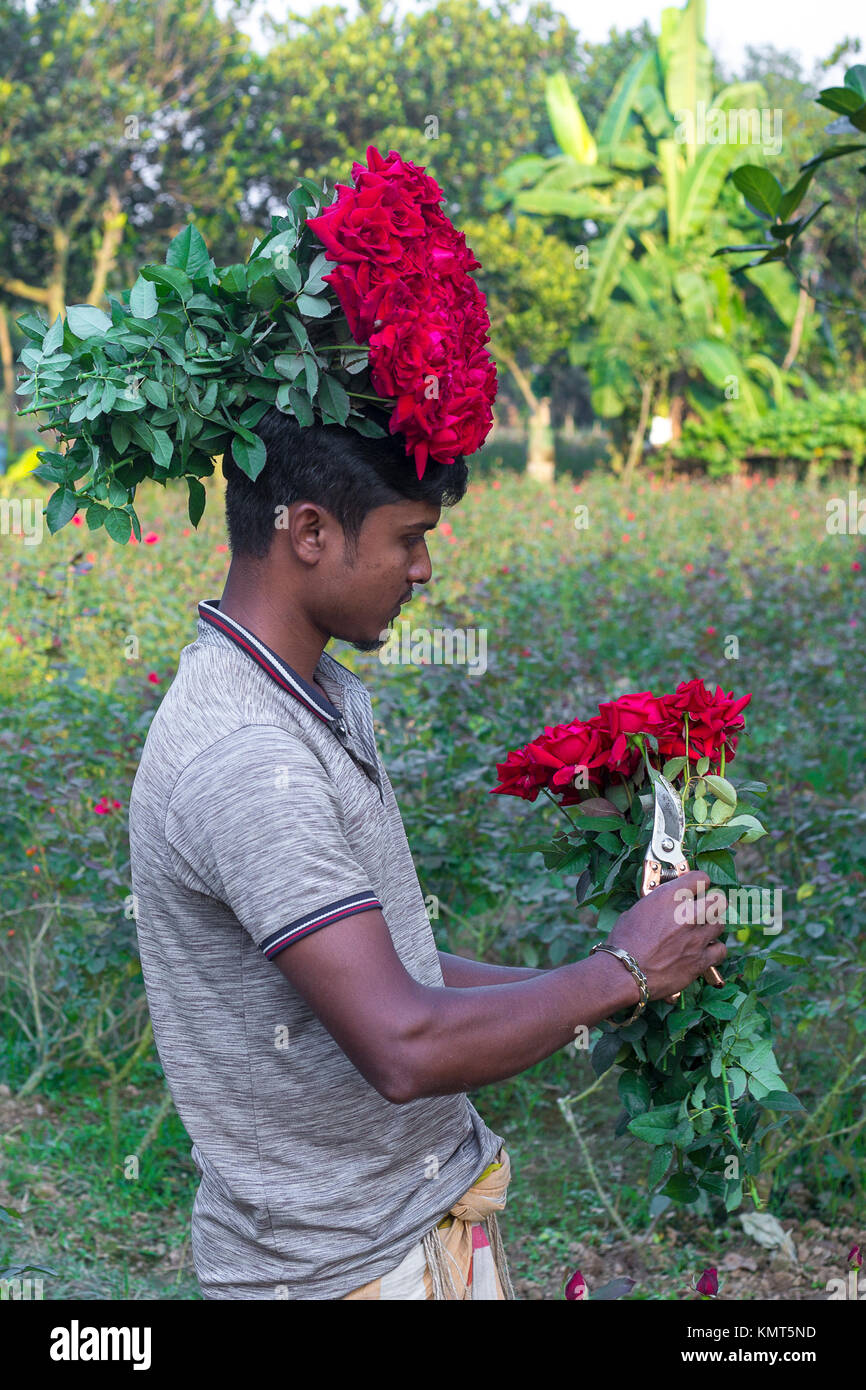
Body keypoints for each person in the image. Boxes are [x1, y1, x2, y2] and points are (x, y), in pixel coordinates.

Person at [127, 403, 727, 1301]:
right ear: (311, 532)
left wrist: (616, 975)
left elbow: (392, 966)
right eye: (409, 538)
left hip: (407, 1230)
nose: (425, 569)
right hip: (347, 1272)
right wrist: (618, 974)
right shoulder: (250, 758)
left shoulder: (311, 691)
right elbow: (401, 1044)